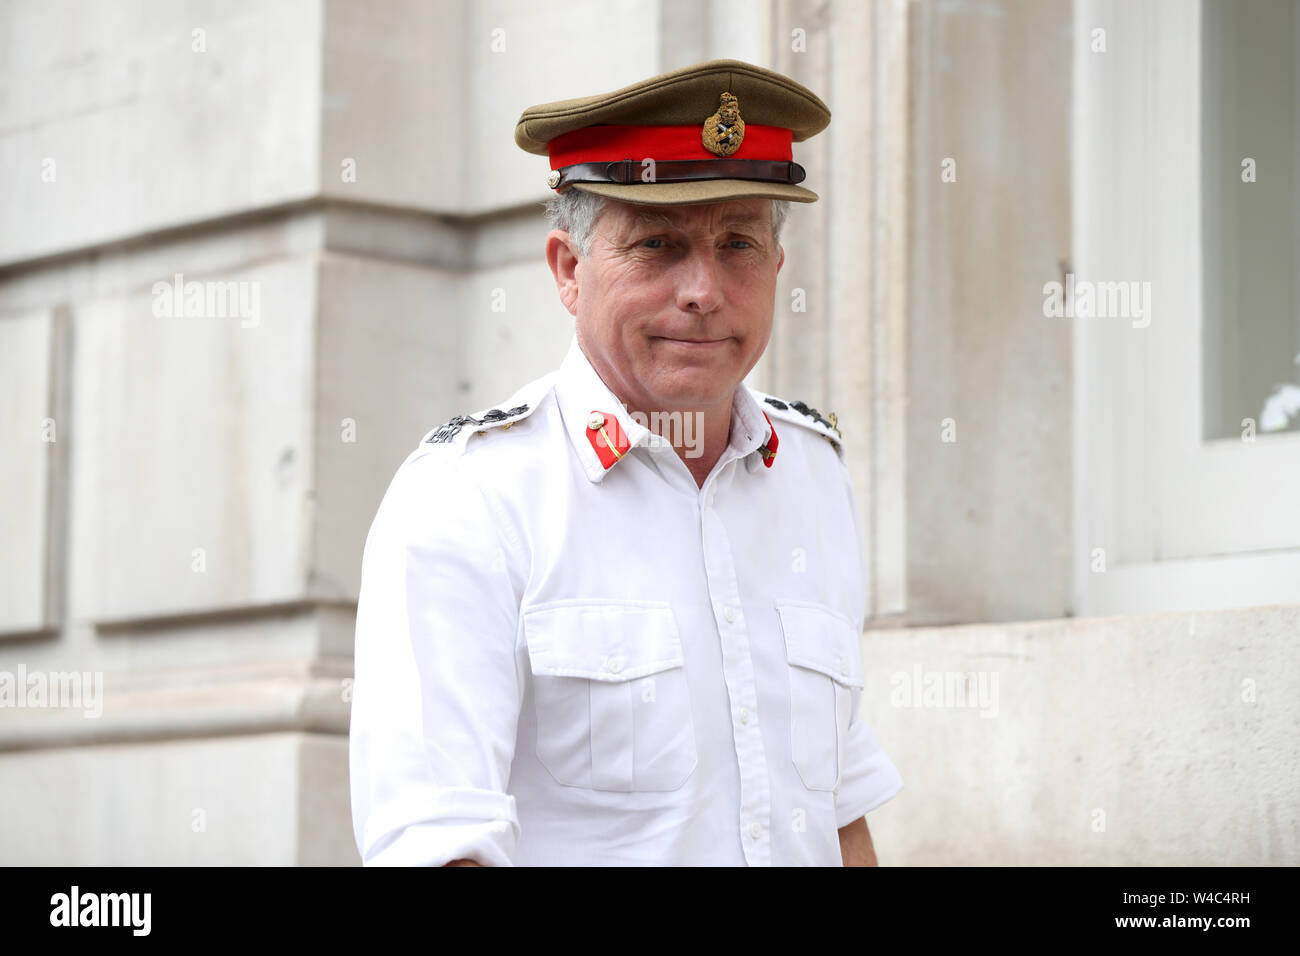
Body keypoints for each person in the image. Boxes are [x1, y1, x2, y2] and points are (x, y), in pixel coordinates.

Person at [348, 58, 903, 866]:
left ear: (776, 270)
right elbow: (438, 843)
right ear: (569, 271)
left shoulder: (812, 474)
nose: (704, 290)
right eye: (658, 245)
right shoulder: (471, 496)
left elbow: (836, 811)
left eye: (738, 243)